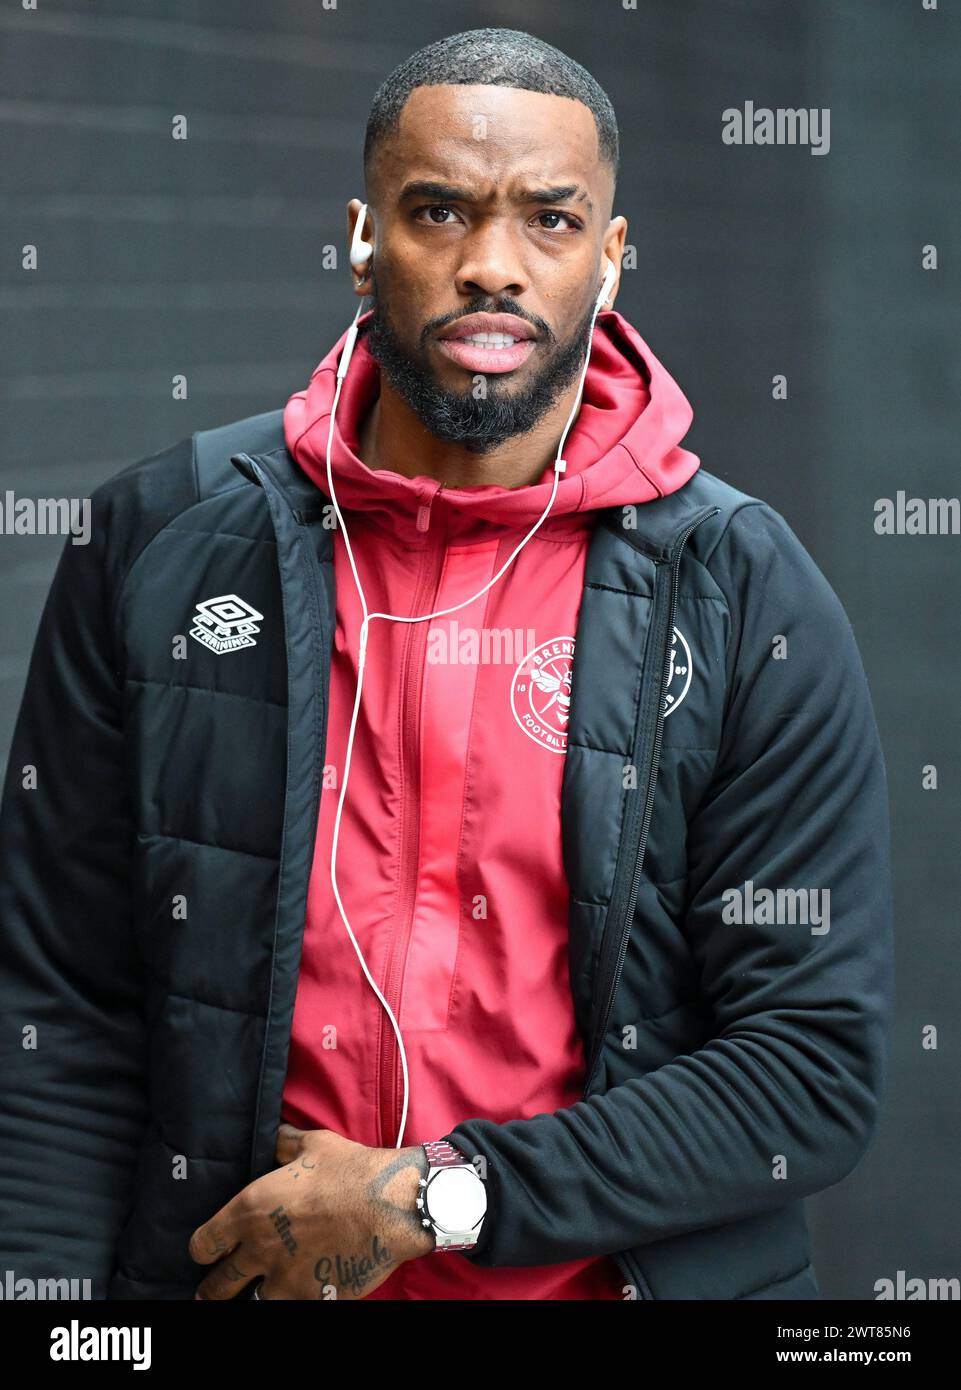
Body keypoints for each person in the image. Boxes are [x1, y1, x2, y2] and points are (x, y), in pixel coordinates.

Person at [0, 27, 893, 1302]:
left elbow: (806, 1065)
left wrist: (436, 1195)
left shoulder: (745, 589)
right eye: (438, 212)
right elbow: (59, 1011)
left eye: (549, 220)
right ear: (361, 236)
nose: (492, 266)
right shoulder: (160, 539)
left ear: (612, 258)